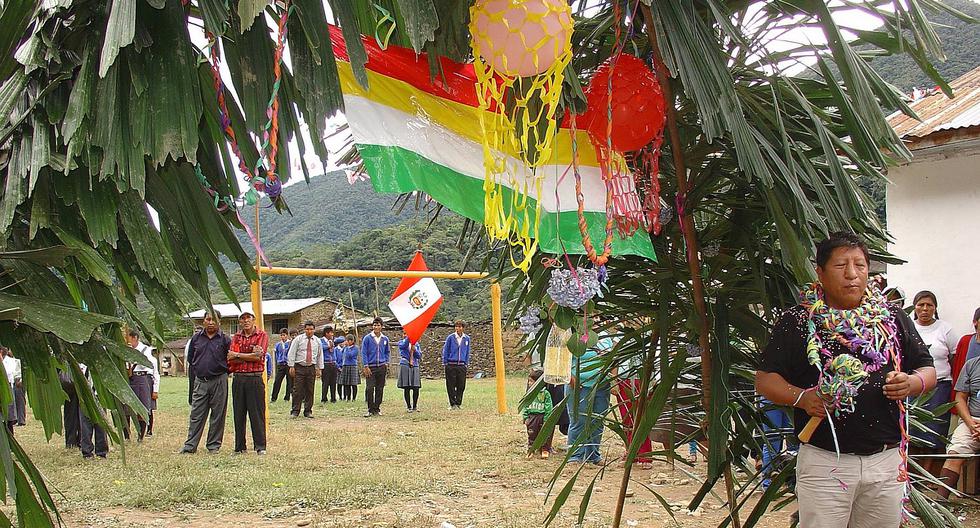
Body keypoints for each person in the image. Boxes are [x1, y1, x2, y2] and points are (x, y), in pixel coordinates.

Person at [755, 232, 936, 528]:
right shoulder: (800, 321)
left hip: (886, 460)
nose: (852, 275)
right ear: (821, 272)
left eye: (860, 265)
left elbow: (927, 369)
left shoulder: (890, 317)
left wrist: (911, 383)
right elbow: (765, 380)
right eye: (841, 266)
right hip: (825, 461)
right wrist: (802, 398)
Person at [911, 290, 960, 449]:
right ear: (914, 307)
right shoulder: (908, 327)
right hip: (912, 387)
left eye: (929, 305)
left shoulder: (945, 329)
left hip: (939, 389)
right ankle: (911, 471)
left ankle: (931, 471)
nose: (925, 309)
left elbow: (954, 358)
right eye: (921, 305)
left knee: (934, 431)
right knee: (912, 429)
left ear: (935, 308)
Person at [180, 311, 231, 454]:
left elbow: (230, 359)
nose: (211, 322)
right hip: (201, 381)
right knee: (196, 414)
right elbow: (191, 359)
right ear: (203, 321)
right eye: (208, 319)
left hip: (219, 380)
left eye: (214, 320)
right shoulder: (196, 339)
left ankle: (213, 446)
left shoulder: (225, 340)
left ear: (219, 322)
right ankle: (190, 446)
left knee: (218, 415)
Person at [936, 352, 980, 498]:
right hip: (972, 422)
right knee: (955, 452)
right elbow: (960, 398)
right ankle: (940, 504)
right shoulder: (972, 364)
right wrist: (971, 424)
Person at [567, 331, 613, 464]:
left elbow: (612, 360)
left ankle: (593, 455)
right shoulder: (574, 336)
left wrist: (612, 380)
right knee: (578, 420)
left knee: (597, 421)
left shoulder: (606, 337)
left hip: (601, 386)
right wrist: (571, 378)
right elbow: (563, 359)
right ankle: (575, 456)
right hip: (578, 386)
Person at [228, 312, 268, 454]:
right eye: (243, 319)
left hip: (255, 377)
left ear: (253, 320)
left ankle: (260, 446)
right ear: (239, 322)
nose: (246, 322)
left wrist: (238, 355)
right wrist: (249, 355)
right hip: (238, 378)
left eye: (248, 319)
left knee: (256, 413)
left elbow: (258, 357)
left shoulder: (261, 335)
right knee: (238, 413)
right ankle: (240, 447)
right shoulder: (236, 337)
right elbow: (230, 358)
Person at [614, 352, 653, 467]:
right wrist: (614, 381)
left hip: (642, 378)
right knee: (627, 418)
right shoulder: (620, 336)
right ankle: (631, 453)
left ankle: (645, 455)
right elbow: (616, 359)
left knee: (642, 417)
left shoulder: (650, 334)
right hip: (623, 379)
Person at [125, 329, 158, 442]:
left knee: (142, 407)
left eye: (128, 338)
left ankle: (141, 435)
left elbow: (146, 365)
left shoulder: (145, 350)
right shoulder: (124, 349)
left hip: (141, 378)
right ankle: (126, 436)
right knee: (126, 408)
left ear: (134, 338)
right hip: (128, 378)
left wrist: (133, 355)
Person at [288, 322, 323, 418]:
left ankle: (308, 411)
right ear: (304, 330)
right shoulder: (298, 339)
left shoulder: (317, 341)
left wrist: (319, 368)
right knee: (297, 390)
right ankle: (295, 411)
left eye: (311, 329)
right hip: (299, 367)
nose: (309, 331)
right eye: (307, 329)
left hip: (311, 367)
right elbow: (292, 352)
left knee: (310, 390)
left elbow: (320, 355)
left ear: (314, 330)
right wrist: (291, 366)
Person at [361, 318, 391, 417]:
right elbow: (364, 353)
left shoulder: (385, 339)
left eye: (378, 325)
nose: (376, 327)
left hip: (381, 366)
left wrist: (386, 362)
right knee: (370, 388)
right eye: (374, 325)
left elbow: (387, 352)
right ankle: (370, 409)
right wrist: (366, 365)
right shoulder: (367, 338)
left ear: (381, 326)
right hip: (371, 367)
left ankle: (377, 408)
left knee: (380, 388)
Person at [78, 363, 108, 459]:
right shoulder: (80, 365)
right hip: (85, 398)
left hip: (99, 398)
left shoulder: (101, 367)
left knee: (101, 425)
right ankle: (86, 452)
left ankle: (101, 451)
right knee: (85, 425)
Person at [522, 368, 554, 459]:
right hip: (532, 416)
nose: (529, 383)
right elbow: (525, 405)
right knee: (531, 433)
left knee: (544, 433)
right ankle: (531, 449)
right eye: (529, 381)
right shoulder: (529, 393)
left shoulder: (545, 394)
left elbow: (549, 407)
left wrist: (547, 419)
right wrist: (525, 416)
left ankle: (544, 449)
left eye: (531, 381)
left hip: (542, 416)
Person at [441, 321, 472, 409]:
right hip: (451, 364)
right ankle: (452, 404)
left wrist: (466, 363)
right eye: (456, 327)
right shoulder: (451, 338)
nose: (458, 328)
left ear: (463, 328)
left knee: (461, 385)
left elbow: (467, 351)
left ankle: (458, 403)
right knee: (451, 385)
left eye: (460, 327)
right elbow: (446, 350)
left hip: (461, 365)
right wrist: (445, 362)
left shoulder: (466, 338)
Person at [397, 337, 422, 412]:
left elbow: (419, 356)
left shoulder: (416, 344)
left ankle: (415, 406)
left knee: (416, 387)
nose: (405, 335)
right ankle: (409, 406)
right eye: (404, 333)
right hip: (405, 364)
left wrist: (415, 350)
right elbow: (404, 346)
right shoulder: (401, 342)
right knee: (406, 387)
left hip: (415, 365)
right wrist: (409, 336)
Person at [59, 365, 80, 449]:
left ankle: (72, 441)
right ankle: (72, 441)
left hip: (70, 386)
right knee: (72, 414)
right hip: (71, 386)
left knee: (72, 414)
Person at [1, 347, 21, 436]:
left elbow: (11, 374)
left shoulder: (11, 361)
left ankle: (10, 438)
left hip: (7, 388)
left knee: (9, 418)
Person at [270, 329, 292, 402]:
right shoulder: (278, 344)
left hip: (288, 364)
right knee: (277, 381)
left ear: (287, 335)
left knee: (289, 382)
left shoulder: (290, 343)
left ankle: (287, 398)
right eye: (281, 335)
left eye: (284, 335)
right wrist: (278, 361)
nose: (283, 337)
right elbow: (276, 354)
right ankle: (273, 398)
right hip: (281, 365)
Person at [320, 326, 340, 403]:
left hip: (333, 363)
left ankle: (333, 398)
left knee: (333, 382)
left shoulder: (332, 341)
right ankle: (324, 398)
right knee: (325, 382)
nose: (332, 334)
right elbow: (320, 348)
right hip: (326, 363)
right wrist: (328, 346)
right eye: (331, 333)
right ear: (326, 333)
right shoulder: (321, 341)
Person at [7, 349, 26, 426]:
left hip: (18, 380)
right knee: (13, 401)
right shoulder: (8, 360)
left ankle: (21, 420)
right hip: (12, 381)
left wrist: (21, 380)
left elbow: (22, 371)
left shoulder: (18, 359)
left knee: (20, 400)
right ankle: (14, 418)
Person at [184, 325, 202, 405]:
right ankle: (192, 401)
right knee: (192, 384)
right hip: (193, 366)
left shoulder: (203, 341)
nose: (196, 333)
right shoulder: (190, 341)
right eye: (195, 331)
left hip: (202, 367)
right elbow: (187, 355)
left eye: (198, 332)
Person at [338, 335, 360, 401]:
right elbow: (341, 352)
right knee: (346, 383)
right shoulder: (345, 348)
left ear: (352, 341)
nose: (347, 342)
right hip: (345, 365)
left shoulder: (356, 348)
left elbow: (350, 355)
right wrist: (344, 347)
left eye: (348, 340)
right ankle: (348, 397)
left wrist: (347, 348)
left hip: (352, 366)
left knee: (353, 384)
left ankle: (354, 398)